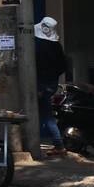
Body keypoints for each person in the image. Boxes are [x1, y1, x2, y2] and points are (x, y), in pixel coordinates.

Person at [34, 16, 68, 156]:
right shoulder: (57, 46)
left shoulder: (40, 47)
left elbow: (37, 66)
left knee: (47, 116)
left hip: (42, 84)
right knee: (45, 114)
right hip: (52, 83)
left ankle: (59, 145)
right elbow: (63, 66)